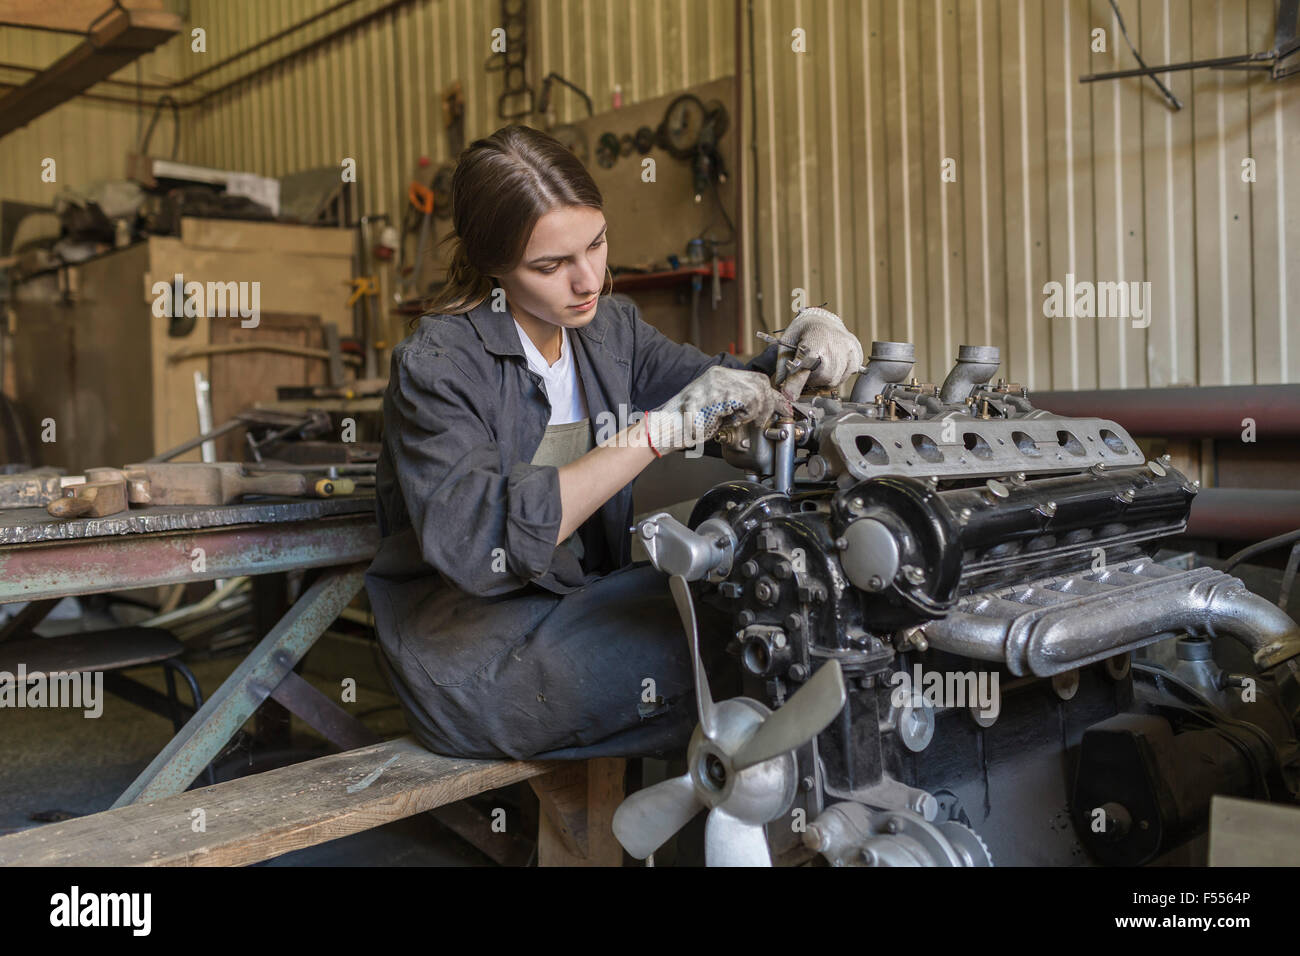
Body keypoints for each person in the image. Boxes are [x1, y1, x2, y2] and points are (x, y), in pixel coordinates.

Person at [365, 124, 863, 761]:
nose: (587, 281)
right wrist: (654, 434)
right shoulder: (437, 365)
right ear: (494, 266)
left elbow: (722, 388)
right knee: (746, 652)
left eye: (596, 244)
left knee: (772, 611)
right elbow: (481, 541)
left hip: (578, 599)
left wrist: (802, 351)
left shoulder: (610, 330)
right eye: (550, 265)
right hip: (471, 646)